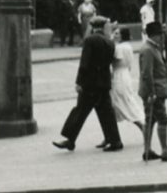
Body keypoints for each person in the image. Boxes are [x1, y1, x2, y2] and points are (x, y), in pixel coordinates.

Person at [53, 16, 124, 153]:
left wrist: (79, 82)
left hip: (90, 83)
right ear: (103, 27)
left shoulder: (90, 40)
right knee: (106, 113)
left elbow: (84, 63)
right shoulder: (110, 42)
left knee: (80, 111)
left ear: (92, 27)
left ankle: (70, 139)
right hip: (104, 82)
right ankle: (115, 140)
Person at [138, 21, 167, 162]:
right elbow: (147, 73)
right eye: (160, 35)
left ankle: (148, 150)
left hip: (156, 90)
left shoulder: (153, 47)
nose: (162, 38)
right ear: (155, 35)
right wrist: (152, 93)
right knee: (163, 118)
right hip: (154, 91)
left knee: (150, 120)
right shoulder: (148, 50)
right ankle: (165, 151)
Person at [108, 25, 147, 146]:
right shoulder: (128, 46)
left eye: (117, 33)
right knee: (121, 102)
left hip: (118, 75)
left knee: (122, 103)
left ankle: (142, 126)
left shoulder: (119, 48)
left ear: (122, 36)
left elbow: (115, 60)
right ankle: (109, 135)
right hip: (125, 75)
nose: (115, 35)